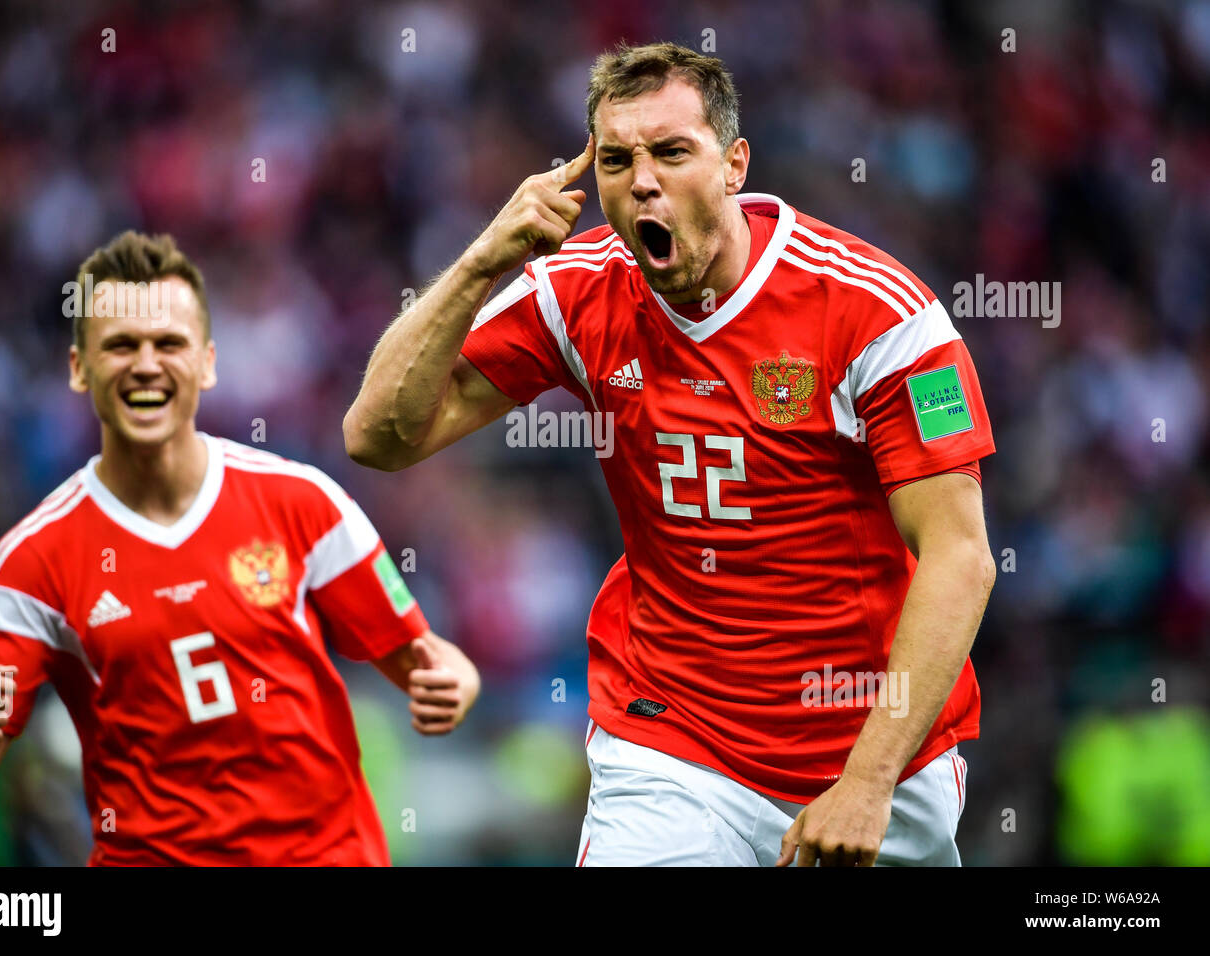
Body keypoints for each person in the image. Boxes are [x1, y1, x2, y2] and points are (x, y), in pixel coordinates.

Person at [344, 42, 995, 867]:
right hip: (673, 743)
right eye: (615, 159)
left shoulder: (878, 316)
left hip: (873, 751)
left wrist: (867, 780)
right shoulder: (576, 292)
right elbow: (379, 436)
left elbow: (962, 557)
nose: (641, 179)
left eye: (671, 152)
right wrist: (480, 263)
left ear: (733, 165)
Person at [0, 231, 480, 866]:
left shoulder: (302, 502)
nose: (147, 364)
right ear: (79, 368)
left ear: (207, 362)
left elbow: (427, 659)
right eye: (121, 345)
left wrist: (453, 680)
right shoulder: (30, 563)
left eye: (169, 344)